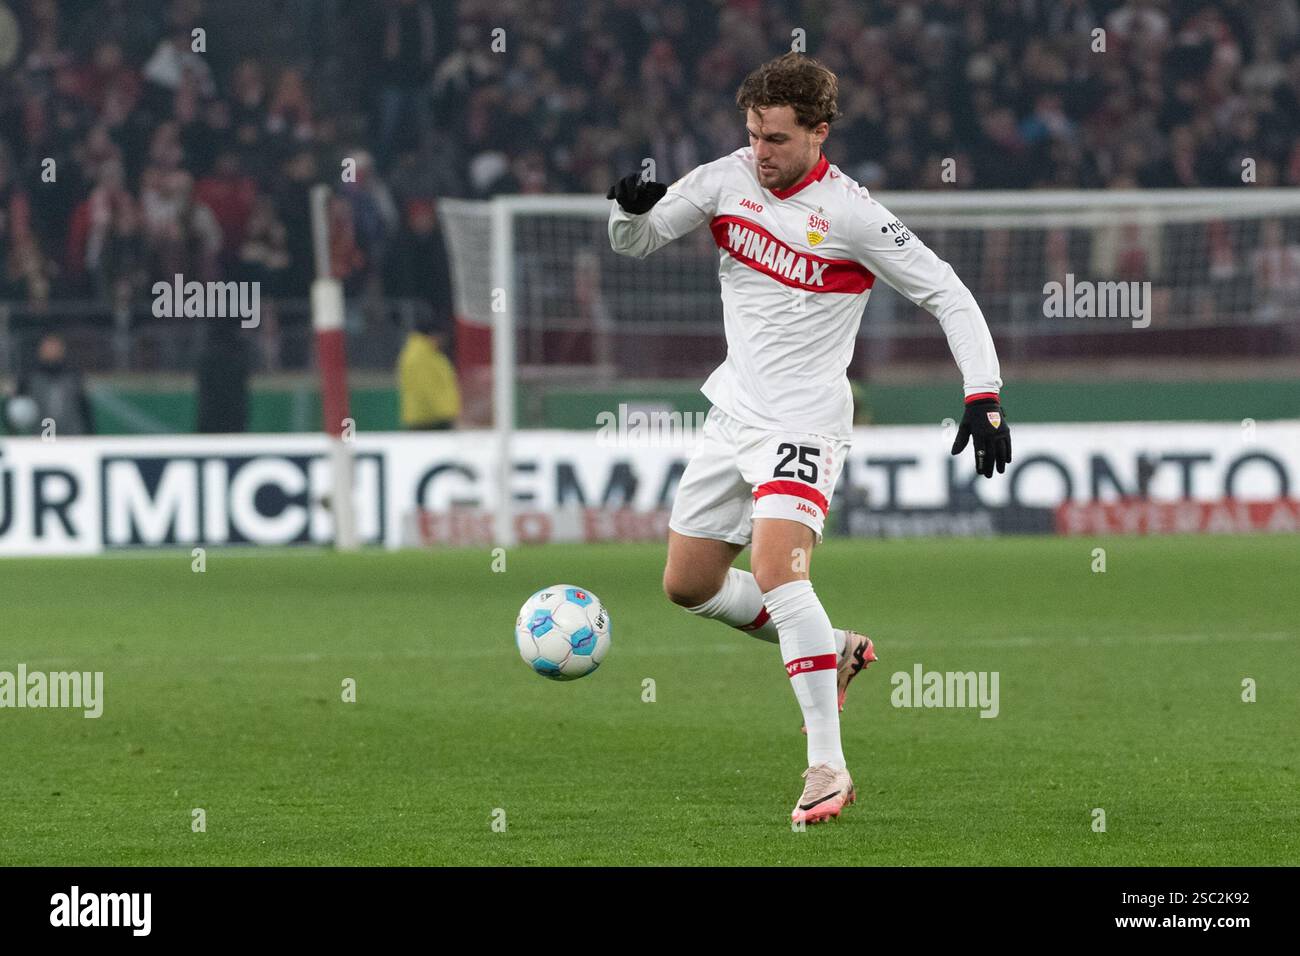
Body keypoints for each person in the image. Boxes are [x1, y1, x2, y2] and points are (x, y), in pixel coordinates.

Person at [607, 53, 1012, 826]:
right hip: (732, 415)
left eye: (779, 139)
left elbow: (950, 295)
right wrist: (627, 212)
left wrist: (983, 395)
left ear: (819, 134)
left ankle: (826, 766)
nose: (761, 151)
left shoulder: (852, 214)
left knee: (777, 571)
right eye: (754, 132)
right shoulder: (725, 179)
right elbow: (639, 241)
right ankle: (838, 647)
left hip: (805, 424)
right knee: (687, 586)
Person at [16, 333, 95, 435]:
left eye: (55, 347)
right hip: (40, 437)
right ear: (40, 350)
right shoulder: (29, 377)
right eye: (48, 348)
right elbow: (17, 406)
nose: (52, 351)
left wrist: (90, 433)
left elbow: (84, 407)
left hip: (72, 437)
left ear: (62, 350)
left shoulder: (73, 376)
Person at [396, 319, 459, 430]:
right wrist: (446, 412)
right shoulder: (421, 356)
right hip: (428, 420)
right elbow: (428, 388)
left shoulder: (428, 353)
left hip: (427, 417)